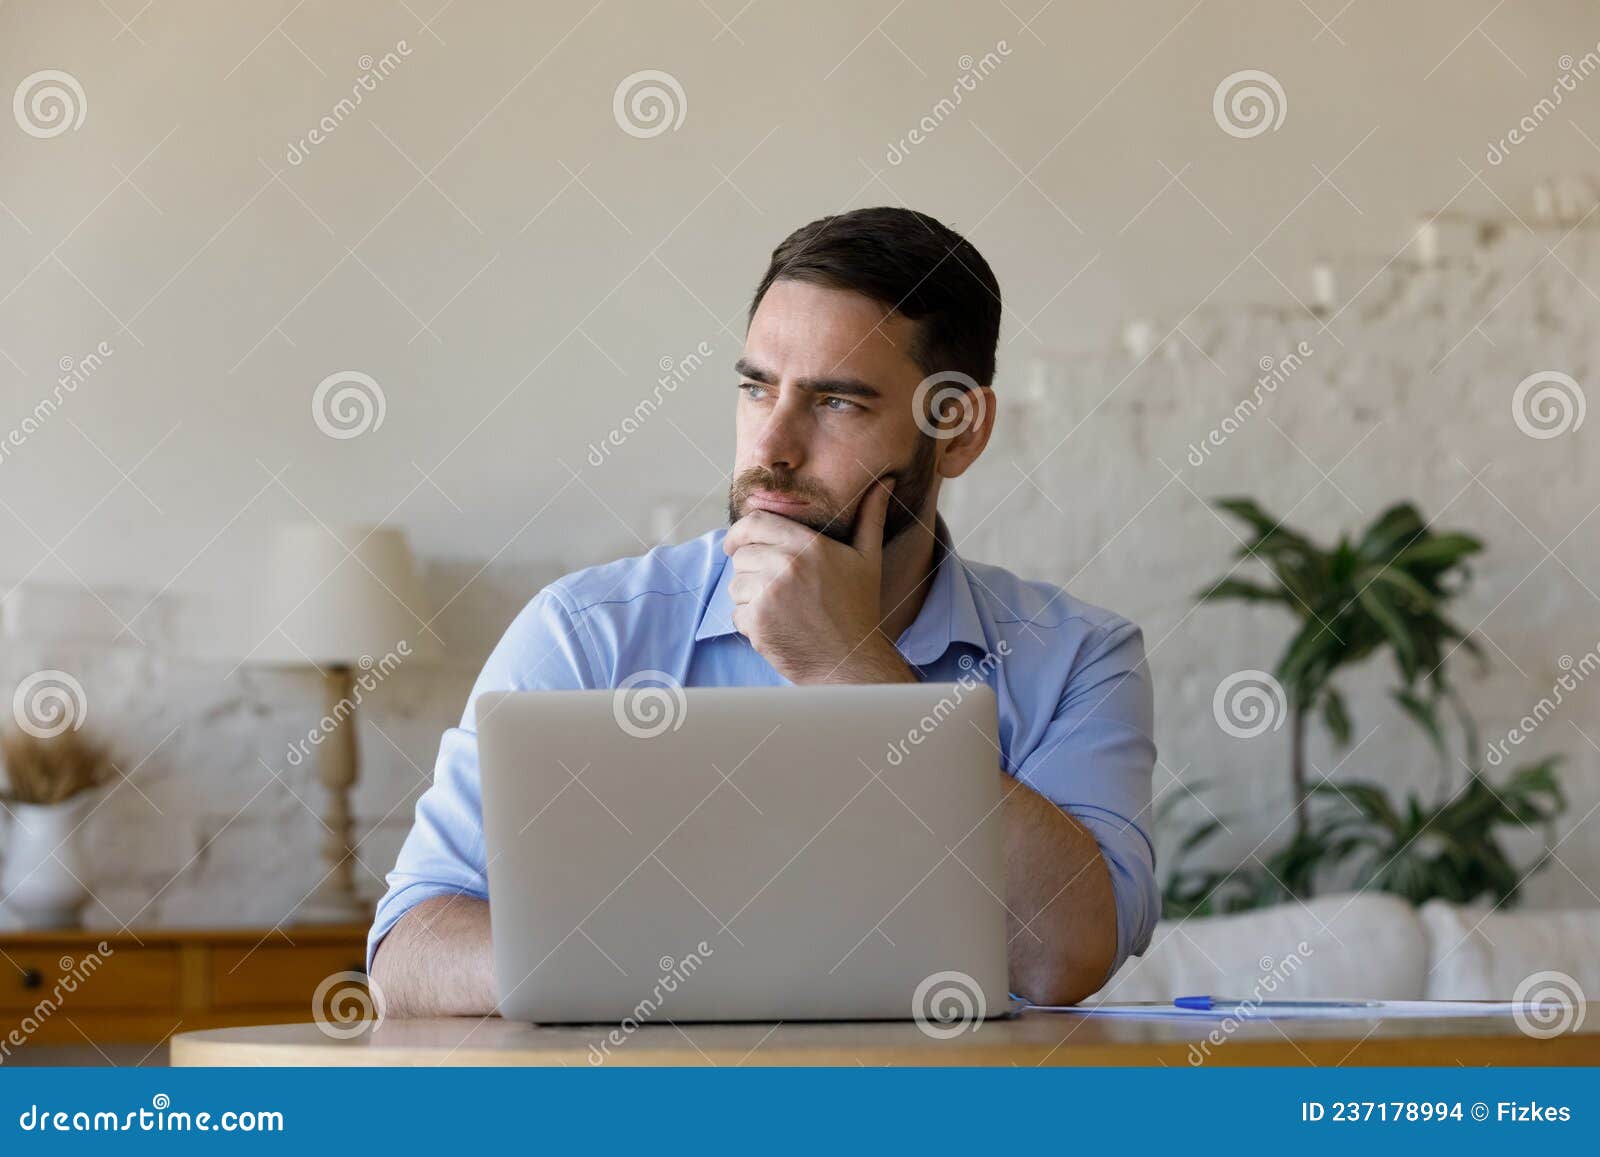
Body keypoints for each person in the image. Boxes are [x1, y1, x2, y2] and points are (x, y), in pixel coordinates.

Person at [368, 206, 1157, 1014]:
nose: (772, 445)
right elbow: (409, 949)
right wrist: (672, 969)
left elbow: (1063, 957)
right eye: (756, 388)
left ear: (956, 433)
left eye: (837, 403)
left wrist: (850, 670)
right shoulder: (586, 635)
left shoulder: (1077, 658)